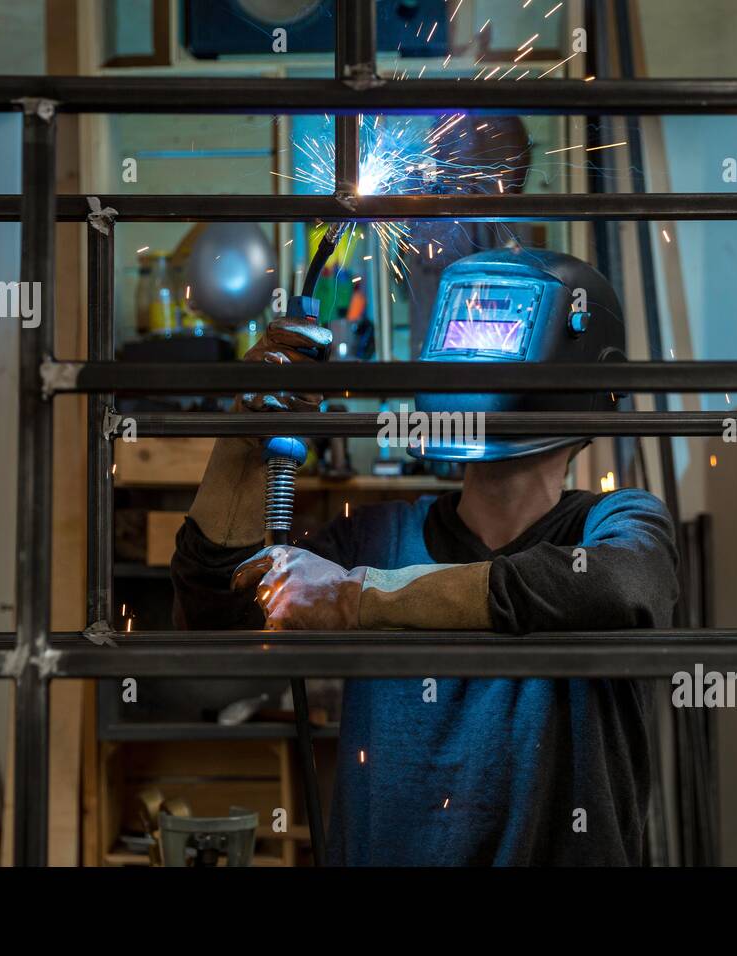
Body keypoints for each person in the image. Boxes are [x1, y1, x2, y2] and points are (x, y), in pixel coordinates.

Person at [170, 249, 679, 865]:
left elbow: (616, 591)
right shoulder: (375, 537)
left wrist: (357, 599)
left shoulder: (616, 521)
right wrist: (243, 444)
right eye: (463, 328)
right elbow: (212, 621)